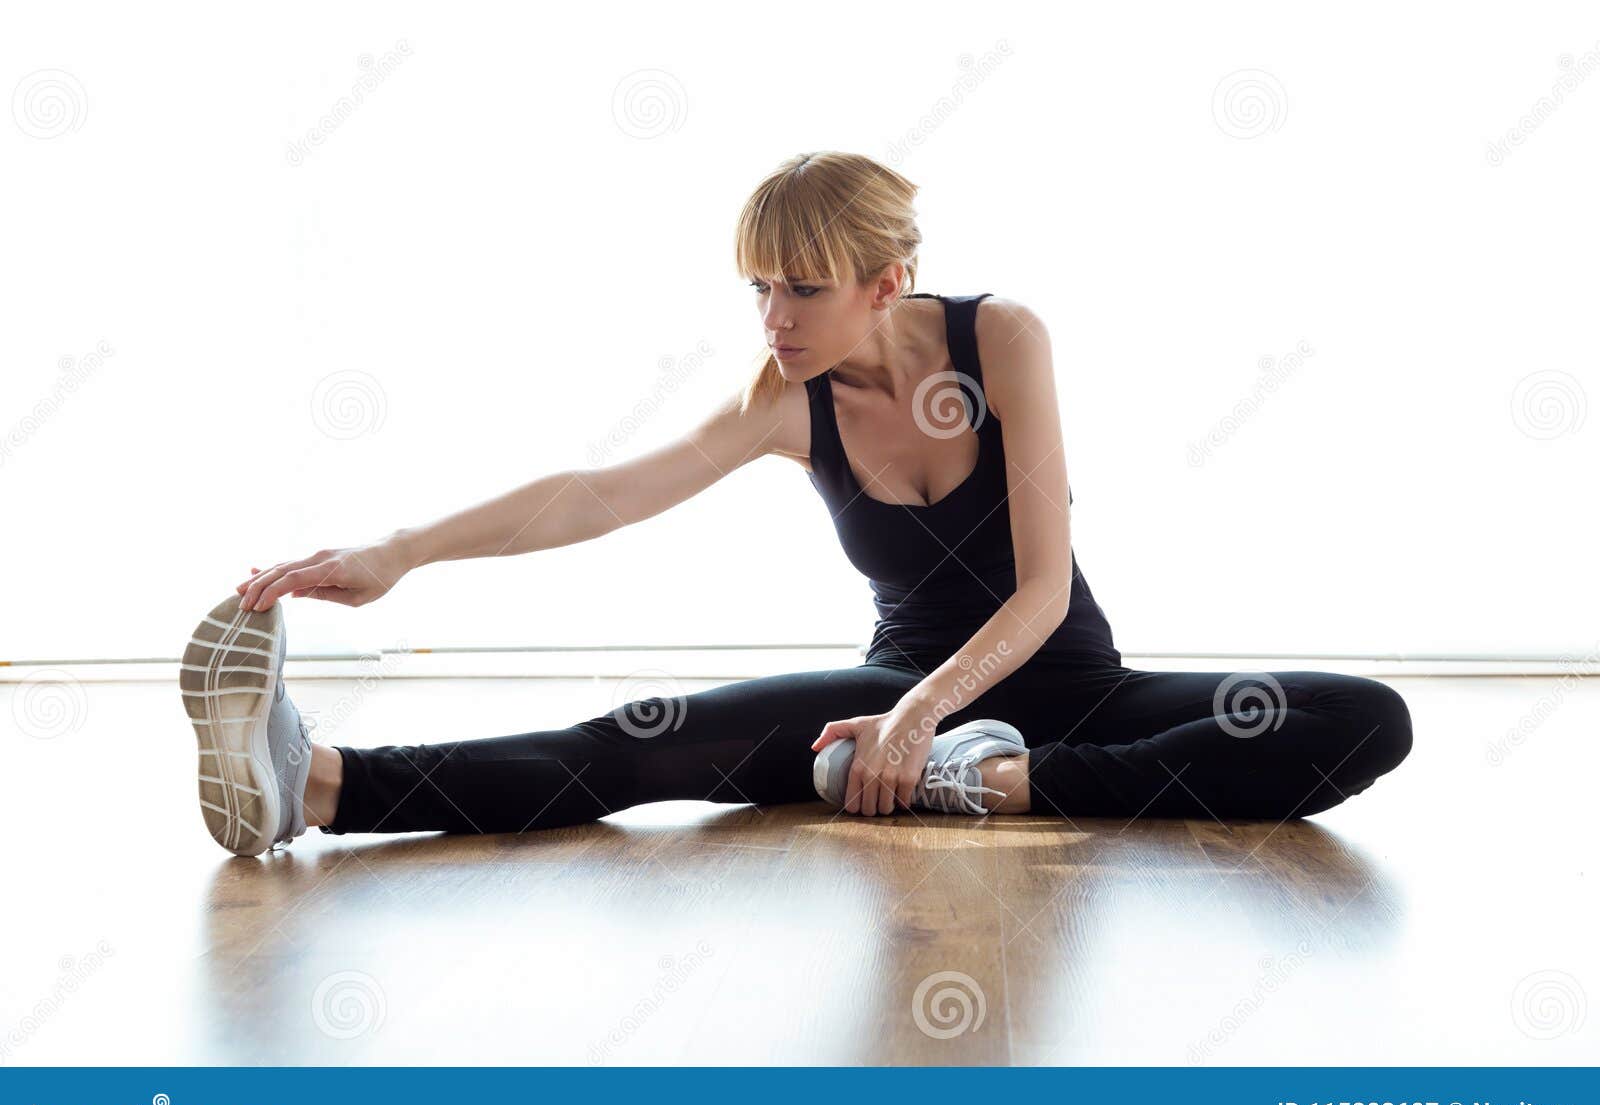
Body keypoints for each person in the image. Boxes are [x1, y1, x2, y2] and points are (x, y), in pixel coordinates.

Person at [180, 150, 1414, 858]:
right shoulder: (785, 398)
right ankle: (318, 782)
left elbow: (1043, 587)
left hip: (1066, 687)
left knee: (1362, 716)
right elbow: (602, 493)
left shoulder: (1002, 341)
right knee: (636, 742)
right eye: (758, 288)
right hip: (886, 696)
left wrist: (929, 732)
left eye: (803, 290)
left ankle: (1001, 783)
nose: (773, 319)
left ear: (886, 281)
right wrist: (399, 551)